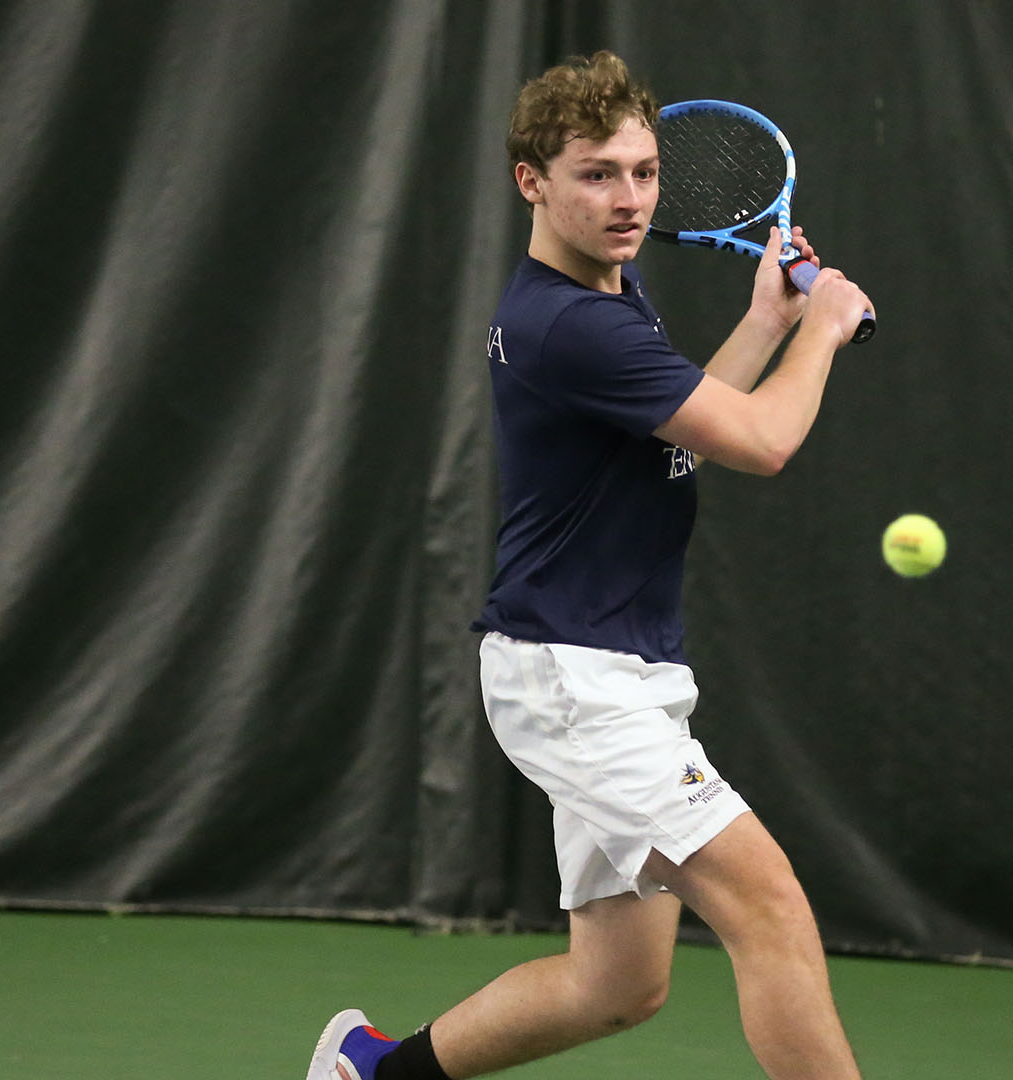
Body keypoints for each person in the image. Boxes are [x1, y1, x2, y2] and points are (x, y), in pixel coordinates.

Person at [305, 50, 874, 1080]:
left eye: (645, 172)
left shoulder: (606, 296)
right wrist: (823, 331)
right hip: (576, 682)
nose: (629, 199)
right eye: (597, 174)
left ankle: (373, 1072)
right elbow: (764, 443)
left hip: (610, 668)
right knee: (771, 906)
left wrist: (764, 323)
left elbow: (675, 437)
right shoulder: (569, 323)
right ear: (533, 181)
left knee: (617, 985)